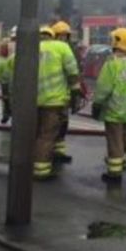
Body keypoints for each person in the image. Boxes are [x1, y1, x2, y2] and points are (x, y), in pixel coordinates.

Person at [93, 27, 126, 183]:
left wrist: (97, 105)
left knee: (115, 142)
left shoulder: (111, 63)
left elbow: (104, 88)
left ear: (116, 41)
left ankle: (114, 174)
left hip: (113, 111)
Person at [33, 25, 82, 180]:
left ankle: (30, 165)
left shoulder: (31, 48)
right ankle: (41, 170)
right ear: (53, 35)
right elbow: (73, 72)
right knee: (46, 136)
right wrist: (76, 94)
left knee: (35, 135)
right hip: (54, 101)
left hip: (32, 101)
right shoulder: (61, 48)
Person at [50, 20, 86, 163]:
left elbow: (75, 72)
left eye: (66, 36)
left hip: (63, 95)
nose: (64, 39)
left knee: (63, 124)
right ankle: (47, 151)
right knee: (49, 126)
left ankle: (59, 151)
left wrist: (76, 91)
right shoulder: (51, 49)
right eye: (61, 35)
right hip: (50, 96)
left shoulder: (71, 50)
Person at [0, 28, 15, 124]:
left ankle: (7, 114)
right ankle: (9, 114)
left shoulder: (3, 59)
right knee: (8, 100)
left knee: (7, 100)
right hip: (10, 82)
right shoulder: (5, 58)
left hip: (7, 82)